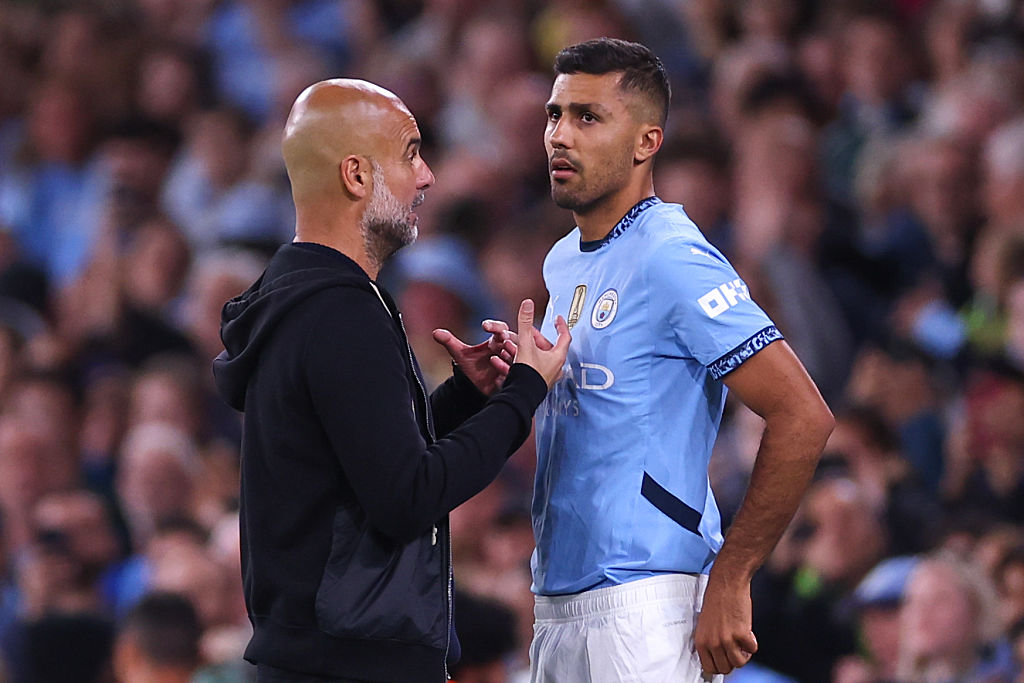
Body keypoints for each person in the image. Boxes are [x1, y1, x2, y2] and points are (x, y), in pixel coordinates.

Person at [211, 78, 569, 683]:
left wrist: (465, 398)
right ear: (355, 175)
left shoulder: (306, 298)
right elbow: (407, 497)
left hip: (317, 659)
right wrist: (523, 395)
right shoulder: (340, 312)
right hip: (348, 665)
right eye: (410, 154)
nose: (428, 176)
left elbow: (359, 463)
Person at [529, 38, 834, 682]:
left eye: (588, 117)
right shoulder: (562, 261)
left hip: (646, 605)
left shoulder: (672, 257)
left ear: (646, 142)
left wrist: (733, 575)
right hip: (557, 600)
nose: (560, 135)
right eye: (555, 114)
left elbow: (803, 415)